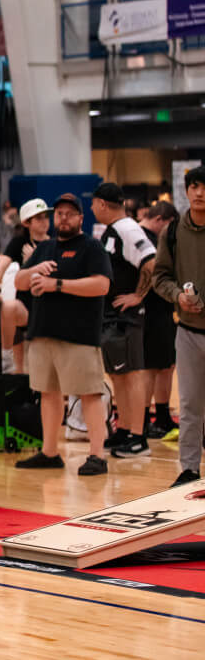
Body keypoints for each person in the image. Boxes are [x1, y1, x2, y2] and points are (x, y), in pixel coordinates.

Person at [13, 193, 113, 476]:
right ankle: (49, 452)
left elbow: (101, 285)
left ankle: (97, 455)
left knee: (90, 393)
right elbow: (19, 281)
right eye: (59, 213)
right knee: (48, 393)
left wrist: (56, 284)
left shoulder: (92, 247)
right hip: (42, 332)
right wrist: (34, 270)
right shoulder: (44, 249)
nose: (64, 218)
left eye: (70, 213)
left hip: (78, 335)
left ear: (81, 218)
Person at [91, 181, 157, 458]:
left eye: (94, 203)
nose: (92, 208)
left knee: (132, 375)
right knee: (118, 374)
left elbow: (152, 263)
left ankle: (138, 438)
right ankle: (125, 430)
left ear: (102, 204)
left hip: (127, 316)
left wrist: (138, 296)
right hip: (111, 315)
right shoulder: (113, 231)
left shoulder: (128, 229)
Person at [151, 165, 205, 486]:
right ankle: (189, 469)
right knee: (188, 404)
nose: (199, 193)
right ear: (186, 191)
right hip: (187, 331)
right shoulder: (172, 232)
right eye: (194, 186)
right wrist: (177, 297)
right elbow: (160, 277)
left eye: (204, 186)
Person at [0, 198, 51, 374]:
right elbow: (0, 265)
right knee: (8, 307)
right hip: (26, 307)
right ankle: (7, 358)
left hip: (48, 309)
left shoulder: (54, 244)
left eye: (46, 217)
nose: (45, 222)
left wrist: (33, 260)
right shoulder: (18, 243)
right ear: (26, 223)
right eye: (39, 218)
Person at [139, 202, 180, 439]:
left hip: (163, 310)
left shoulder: (150, 237)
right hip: (150, 311)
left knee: (166, 365)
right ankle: (144, 419)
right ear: (161, 220)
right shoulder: (142, 237)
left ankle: (162, 416)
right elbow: (149, 272)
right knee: (150, 368)